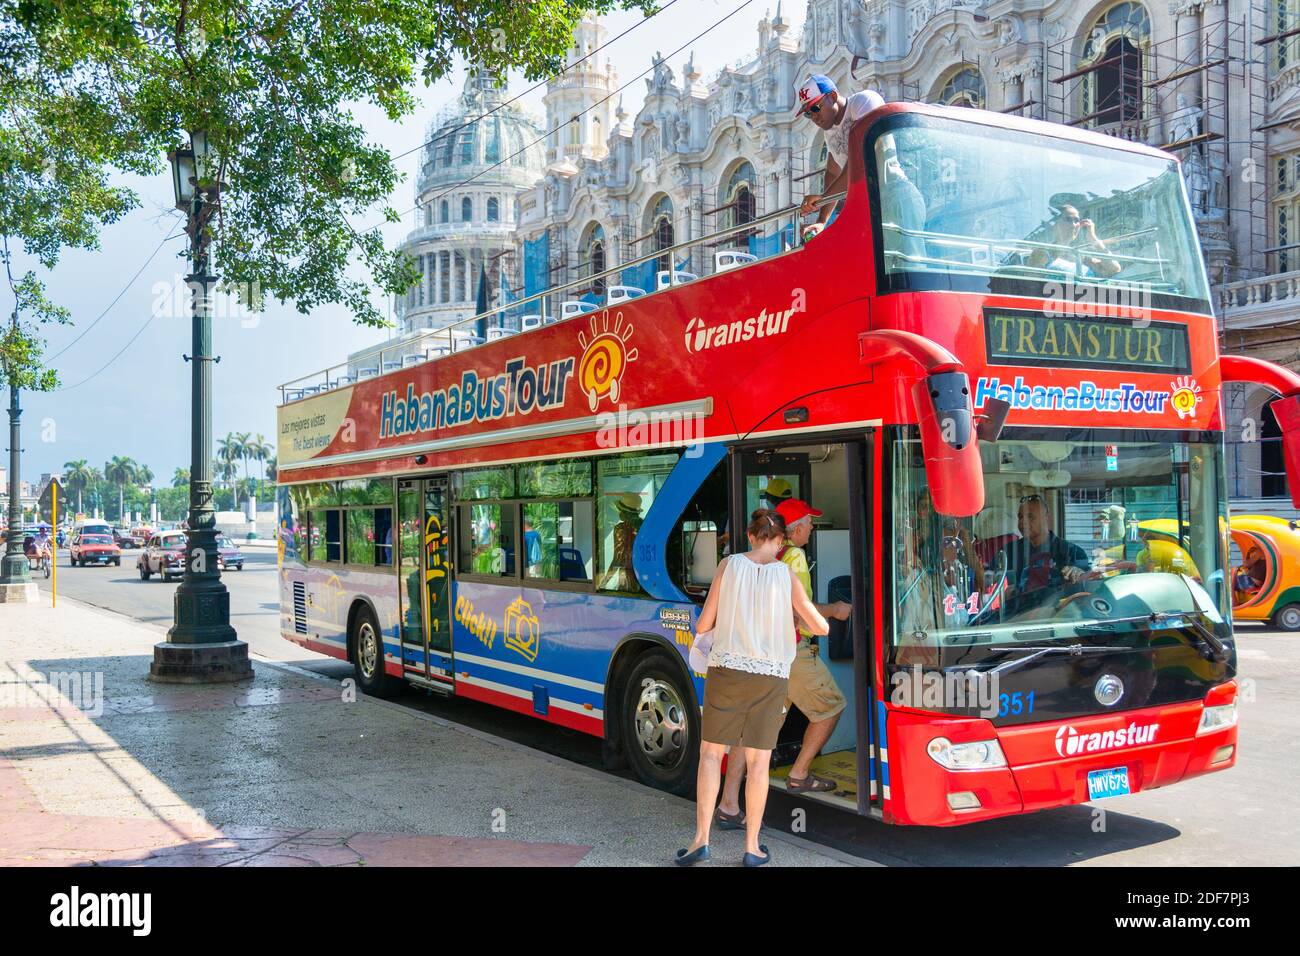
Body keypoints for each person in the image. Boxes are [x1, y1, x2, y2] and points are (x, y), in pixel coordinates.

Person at [677, 509, 830, 867]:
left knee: (712, 755)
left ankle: (700, 841)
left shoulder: (728, 566)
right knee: (758, 764)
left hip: (726, 672)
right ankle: (752, 848)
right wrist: (790, 617)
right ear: (780, 541)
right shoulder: (786, 574)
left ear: (750, 536)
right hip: (769, 678)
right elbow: (820, 627)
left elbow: (703, 622)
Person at [715, 499, 851, 810]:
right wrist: (836, 612)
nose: (813, 527)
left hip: (757, 656)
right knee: (832, 706)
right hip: (790, 653)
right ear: (795, 529)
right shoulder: (796, 558)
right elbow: (800, 613)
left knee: (751, 731)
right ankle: (800, 773)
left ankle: (728, 803)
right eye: (809, 522)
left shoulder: (752, 561)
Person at [796, 74, 885, 240]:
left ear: (833, 96)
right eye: (808, 114)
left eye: (815, 108)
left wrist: (823, 198)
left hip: (892, 194)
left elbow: (860, 160)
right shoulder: (829, 134)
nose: (813, 117)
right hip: (868, 206)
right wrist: (822, 221)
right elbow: (832, 172)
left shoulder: (863, 102)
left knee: (906, 264)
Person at [999, 494, 1091, 614]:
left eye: (1030, 517)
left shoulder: (1072, 553)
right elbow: (990, 582)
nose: (1022, 523)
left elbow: (1084, 590)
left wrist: (1077, 575)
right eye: (1020, 517)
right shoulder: (1008, 552)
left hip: (1057, 619)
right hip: (1014, 620)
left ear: (1046, 518)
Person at [1026, 202, 1122, 279]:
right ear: (1055, 224)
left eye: (1076, 220)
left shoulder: (1080, 256)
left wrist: (1093, 239)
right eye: (1068, 219)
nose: (1073, 225)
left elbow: (1113, 269)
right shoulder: (1042, 253)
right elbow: (1032, 286)